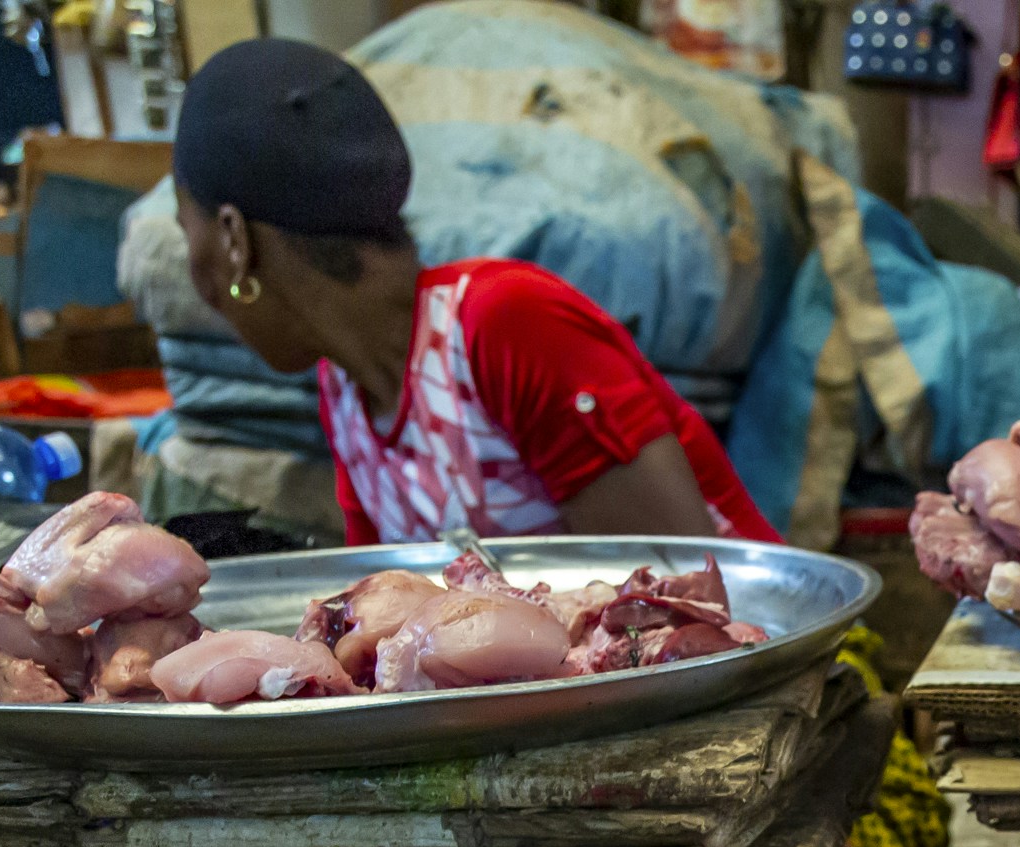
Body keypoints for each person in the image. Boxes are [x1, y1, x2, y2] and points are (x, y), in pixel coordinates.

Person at [169, 39, 778, 546]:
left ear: (232, 240)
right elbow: (383, 611)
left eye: (183, 226)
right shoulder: (348, 392)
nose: (194, 273)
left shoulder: (506, 323)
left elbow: (676, 600)